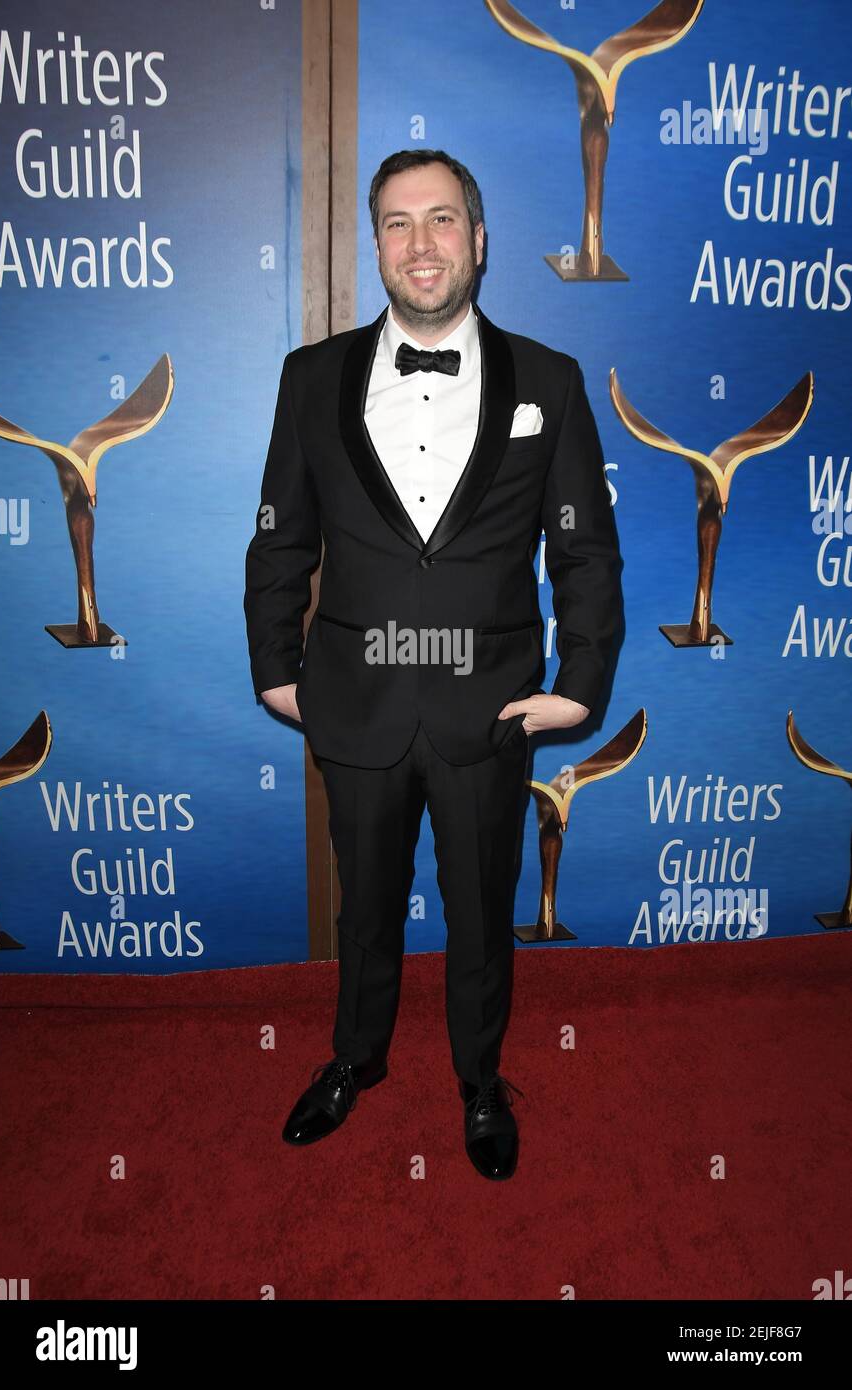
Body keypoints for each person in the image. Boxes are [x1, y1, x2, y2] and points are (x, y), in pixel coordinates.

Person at [243, 149, 623, 1180]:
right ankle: (354, 1059)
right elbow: (280, 535)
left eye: (442, 219)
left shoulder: (548, 379)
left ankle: (478, 1079)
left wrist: (580, 682)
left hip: (489, 712)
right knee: (363, 907)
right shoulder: (310, 376)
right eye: (398, 222)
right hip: (354, 699)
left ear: (479, 240)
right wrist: (274, 664)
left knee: (480, 911)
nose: (421, 243)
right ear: (375, 244)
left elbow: (583, 550)